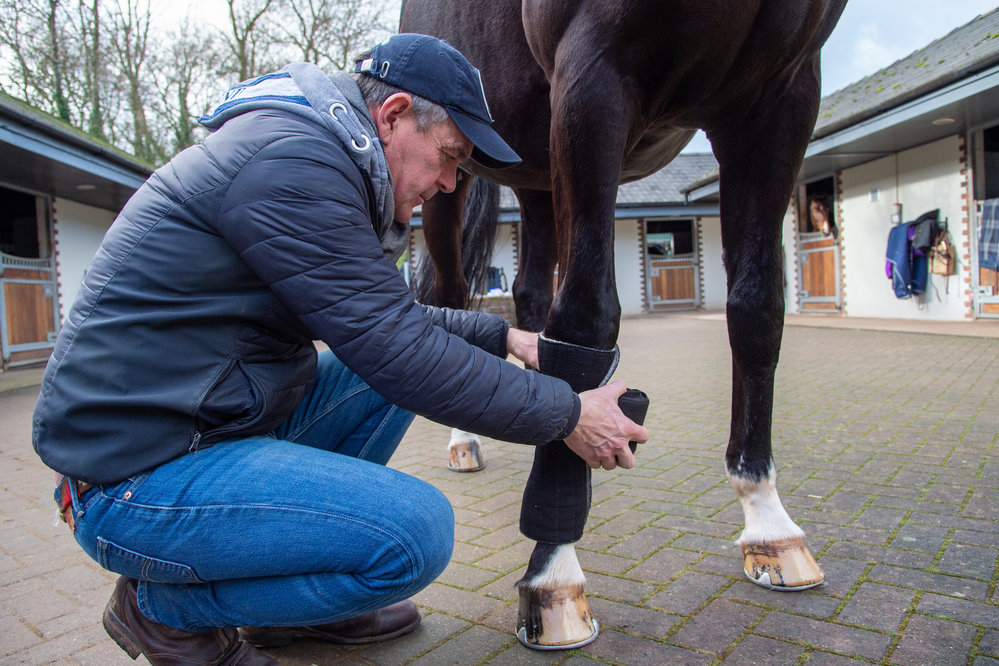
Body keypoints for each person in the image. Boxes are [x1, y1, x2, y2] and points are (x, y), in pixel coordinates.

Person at [32, 33, 648, 665]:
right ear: (394, 114)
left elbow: (386, 318)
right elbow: (396, 347)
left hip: (203, 425)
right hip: (129, 476)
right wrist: (571, 415)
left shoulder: (317, 154)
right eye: (448, 157)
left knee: (376, 378)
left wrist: (505, 337)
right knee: (413, 534)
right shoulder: (292, 163)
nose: (446, 183)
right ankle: (161, 612)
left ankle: (280, 615)